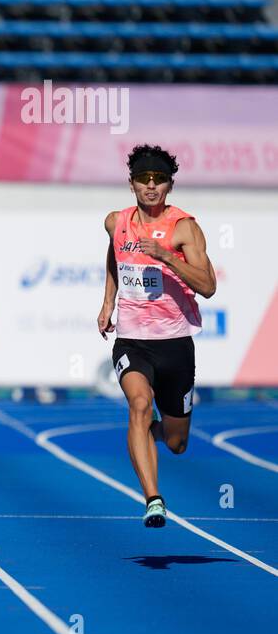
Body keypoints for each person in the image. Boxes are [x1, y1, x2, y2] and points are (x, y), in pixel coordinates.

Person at [98, 145, 216, 528]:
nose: (151, 187)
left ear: (169, 185)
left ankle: (147, 433)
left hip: (175, 343)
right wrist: (107, 304)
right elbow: (114, 259)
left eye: (159, 180)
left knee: (177, 442)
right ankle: (153, 499)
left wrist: (167, 257)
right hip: (132, 339)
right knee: (138, 402)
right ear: (131, 183)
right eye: (143, 180)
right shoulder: (116, 222)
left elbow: (209, 286)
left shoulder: (184, 227)